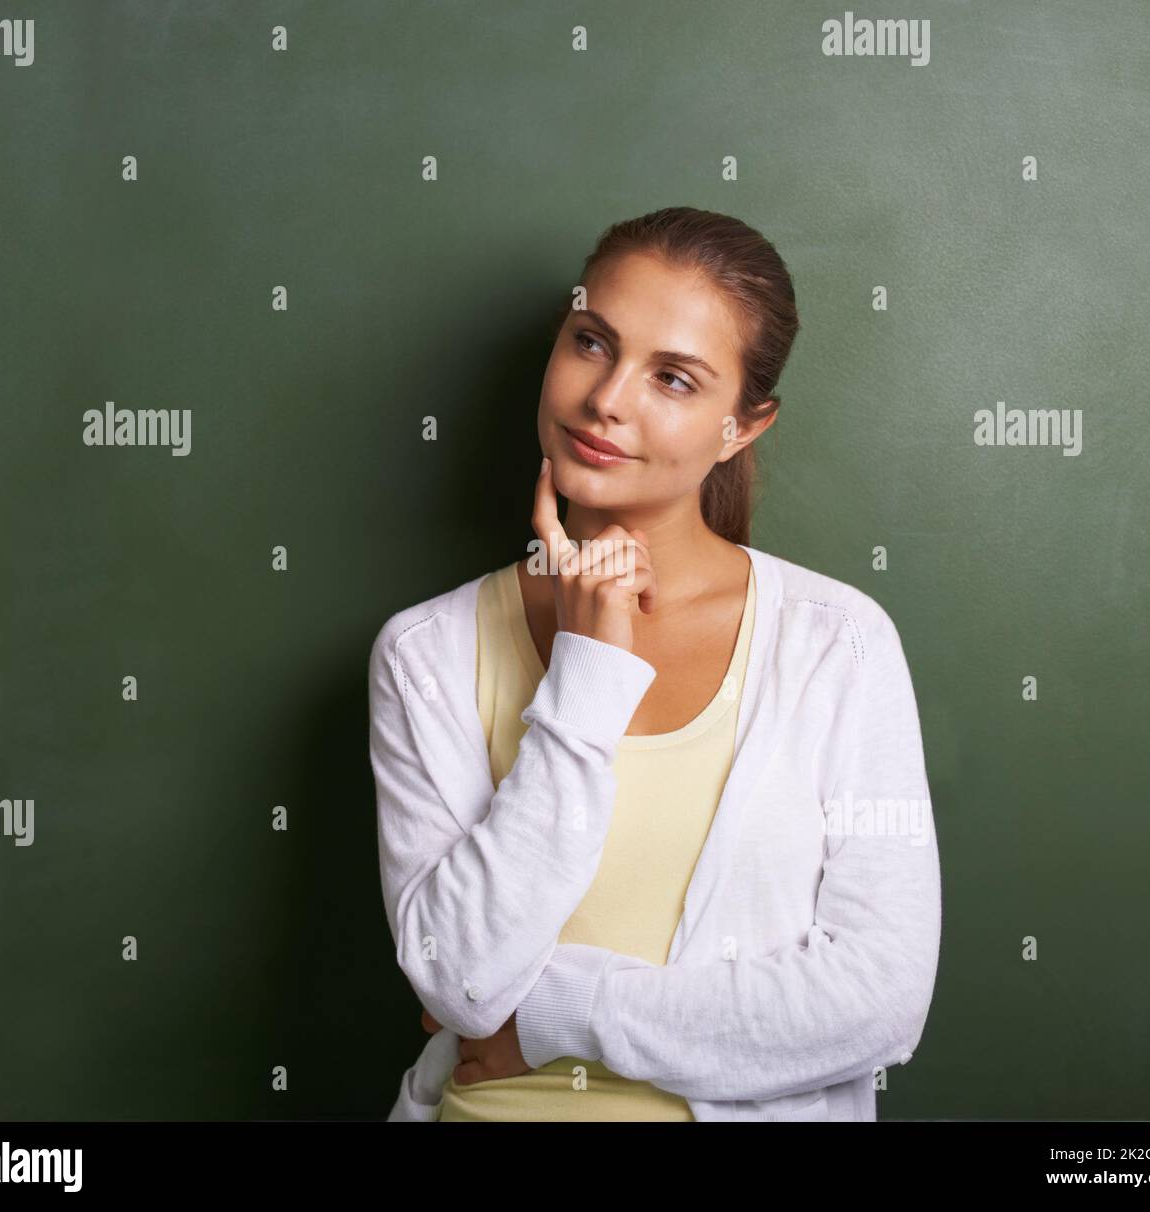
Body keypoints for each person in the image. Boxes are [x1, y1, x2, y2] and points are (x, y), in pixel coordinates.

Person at [369, 206, 941, 1122]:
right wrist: (588, 676)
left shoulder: (838, 642)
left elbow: (877, 1001)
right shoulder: (425, 652)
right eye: (592, 342)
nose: (609, 399)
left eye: (674, 378)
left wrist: (552, 1013)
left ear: (741, 428)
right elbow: (459, 985)